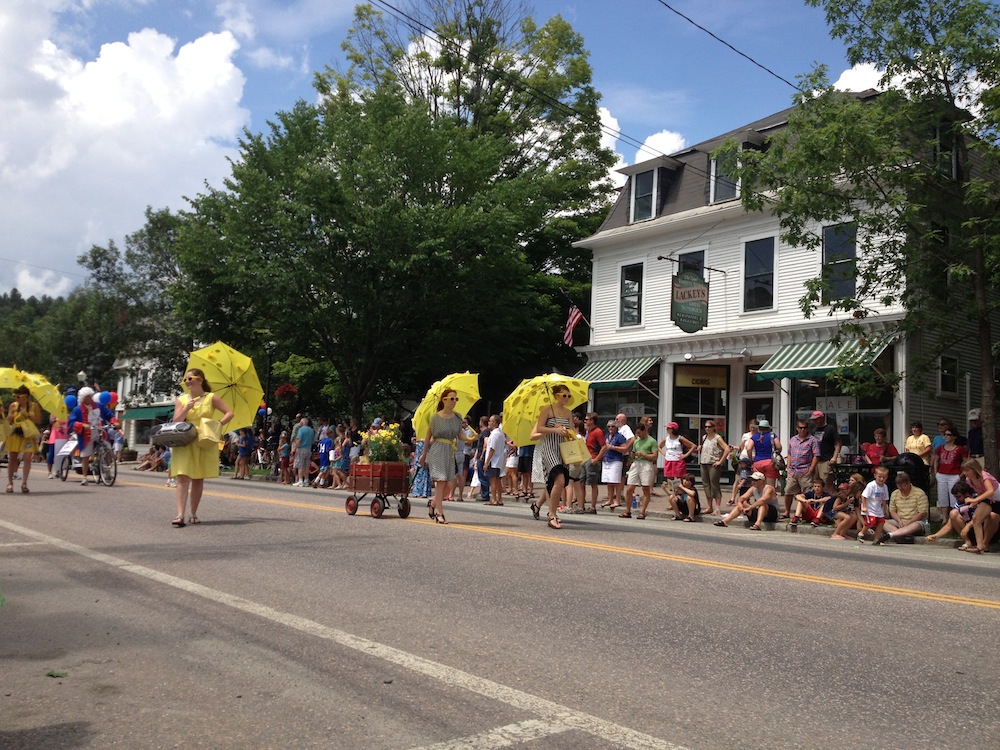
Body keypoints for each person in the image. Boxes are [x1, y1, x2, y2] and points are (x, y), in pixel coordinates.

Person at [169, 368, 234, 526]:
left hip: (204, 439)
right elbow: (175, 421)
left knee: (198, 477)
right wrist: (186, 408)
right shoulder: (182, 400)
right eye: (185, 380)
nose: (187, 382)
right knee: (183, 476)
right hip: (185, 439)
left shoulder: (211, 397)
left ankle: (193, 513)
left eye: (190, 379)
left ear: (200, 380)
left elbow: (229, 413)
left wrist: (218, 425)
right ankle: (179, 515)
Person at [422, 389, 473, 524]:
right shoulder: (435, 418)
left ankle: (433, 503)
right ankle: (440, 513)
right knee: (441, 482)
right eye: (452, 399)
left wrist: (470, 438)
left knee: (450, 484)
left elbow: (460, 435)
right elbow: (428, 437)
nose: (454, 402)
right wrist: (423, 454)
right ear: (444, 400)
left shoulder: (457, 417)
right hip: (438, 449)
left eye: (456, 399)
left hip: (450, 450)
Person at [530, 384, 576, 529]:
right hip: (549, 448)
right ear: (556, 395)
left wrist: (568, 432)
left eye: (569, 396)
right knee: (560, 480)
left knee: (556, 483)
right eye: (564, 395)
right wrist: (555, 429)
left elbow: (572, 430)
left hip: (563, 449)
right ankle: (552, 514)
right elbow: (539, 429)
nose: (567, 398)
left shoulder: (568, 413)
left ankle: (539, 507)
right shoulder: (547, 409)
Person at [66, 387, 115, 488]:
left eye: (90, 397)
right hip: (86, 435)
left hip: (100, 431)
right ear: (82, 399)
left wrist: (115, 422)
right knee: (85, 455)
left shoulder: (99, 406)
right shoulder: (77, 409)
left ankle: (107, 470)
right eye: (87, 397)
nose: (89, 399)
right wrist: (82, 425)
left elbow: (110, 414)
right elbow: (71, 423)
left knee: (108, 449)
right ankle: (84, 477)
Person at [5, 385, 42, 494]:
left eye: (20, 396)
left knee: (27, 458)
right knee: (12, 458)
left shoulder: (34, 406)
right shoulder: (13, 405)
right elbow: (8, 420)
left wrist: (27, 415)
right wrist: (11, 415)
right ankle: (10, 483)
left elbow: (38, 420)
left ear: (27, 396)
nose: (17, 399)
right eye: (15, 396)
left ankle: (24, 483)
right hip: (15, 434)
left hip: (28, 435)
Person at [959, 458, 1000, 554]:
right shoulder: (969, 480)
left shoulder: (984, 476)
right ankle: (980, 545)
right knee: (976, 518)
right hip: (989, 500)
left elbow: (990, 491)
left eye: (967, 470)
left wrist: (975, 500)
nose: (965, 473)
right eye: (963, 471)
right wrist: (976, 502)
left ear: (974, 469)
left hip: (997, 498)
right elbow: (981, 492)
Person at [619, 422, 658, 519]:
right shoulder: (636, 441)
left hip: (646, 464)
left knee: (645, 488)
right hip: (636, 463)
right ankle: (627, 511)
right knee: (629, 488)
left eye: (640, 433)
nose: (638, 435)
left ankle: (642, 511)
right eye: (637, 433)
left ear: (645, 430)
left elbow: (655, 456)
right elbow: (633, 452)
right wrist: (631, 457)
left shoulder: (652, 441)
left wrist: (644, 454)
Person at [877, 471, 929, 544]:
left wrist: (909, 522)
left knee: (916, 525)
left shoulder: (920, 493)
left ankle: (893, 534)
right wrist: (899, 521)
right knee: (882, 521)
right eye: (898, 486)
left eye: (903, 486)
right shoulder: (895, 493)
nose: (900, 488)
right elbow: (892, 511)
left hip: (914, 522)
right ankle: (900, 536)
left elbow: (922, 513)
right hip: (900, 522)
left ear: (908, 483)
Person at [714, 471, 778, 529]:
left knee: (763, 504)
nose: (752, 482)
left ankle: (758, 524)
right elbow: (741, 498)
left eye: (755, 480)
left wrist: (750, 507)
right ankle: (725, 521)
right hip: (759, 512)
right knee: (743, 503)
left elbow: (764, 499)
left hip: (772, 515)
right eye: (752, 480)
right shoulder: (753, 488)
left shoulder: (769, 488)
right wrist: (740, 505)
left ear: (761, 481)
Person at [784, 419, 820, 518]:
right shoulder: (793, 439)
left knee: (807, 493)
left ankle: (806, 513)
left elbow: (816, 456)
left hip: (805, 470)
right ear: (797, 428)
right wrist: (788, 467)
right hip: (793, 470)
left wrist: (811, 470)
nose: (803, 430)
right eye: (800, 427)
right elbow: (789, 454)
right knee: (788, 491)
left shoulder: (812, 440)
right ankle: (787, 511)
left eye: (804, 428)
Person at [931, 426, 966, 522]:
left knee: (954, 496)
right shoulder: (940, 448)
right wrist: (936, 472)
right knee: (942, 496)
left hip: (954, 475)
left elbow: (966, 462)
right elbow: (936, 460)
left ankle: (953, 518)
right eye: (945, 434)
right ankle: (945, 518)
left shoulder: (959, 449)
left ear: (954, 437)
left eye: (948, 434)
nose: (946, 436)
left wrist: (961, 475)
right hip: (941, 474)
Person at [695, 420, 729, 515]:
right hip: (704, 462)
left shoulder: (717, 438)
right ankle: (709, 506)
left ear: (714, 427)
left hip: (713, 463)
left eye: (709, 427)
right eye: (705, 427)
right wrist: (700, 448)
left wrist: (720, 461)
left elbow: (726, 449)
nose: (707, 428)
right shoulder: (704, 437)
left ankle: (717, 507)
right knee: (706, 485)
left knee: (714, 484)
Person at [660, 420, 697, 502]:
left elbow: (693, 446)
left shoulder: (680, 438)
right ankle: (673, 499)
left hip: (678, 461)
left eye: (669, 428)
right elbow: (659, 446)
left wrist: (685, 455)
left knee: (679, 480)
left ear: (673, 429)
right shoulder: (666, 439)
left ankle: (681, 498)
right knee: (670, 481)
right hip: (669, 461)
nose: (667, 429)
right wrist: (664, 453)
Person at [810, 410, 842, 494]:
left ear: (822, 418)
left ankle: (834, 502)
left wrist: (834, 457)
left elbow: (838, 443)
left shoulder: (830, 428)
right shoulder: (814, 429)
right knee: (816, 484)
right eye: (814, 419)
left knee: (827, 483)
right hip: (815, 460)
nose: (815, 421)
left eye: (816, 419)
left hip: (826, 459)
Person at [580, 412, 605, 513]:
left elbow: (604, 446)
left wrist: (597, 459)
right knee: (581, 482)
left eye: (587, 419)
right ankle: (581, 505)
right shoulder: (588, 432)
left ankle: (593, 506)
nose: (585, 421)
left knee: (593, 483)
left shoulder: (598, 432)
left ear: (592, 421)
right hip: (585, 458)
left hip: (592, 458)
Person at [858, 465, 890, 543]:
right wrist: (864, 506)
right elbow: (864, 496)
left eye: (884, 477)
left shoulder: (885, 487)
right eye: (879, 477)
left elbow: (884, 500)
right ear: (875, 475)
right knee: (871, 522)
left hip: (878, 509)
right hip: (870, 509)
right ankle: (862, 532)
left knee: (881, 522)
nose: (881, 479)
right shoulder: (871, 485)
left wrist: (885, 510)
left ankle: (877, 539)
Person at [747, 418, 782, 490]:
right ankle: (768, 500)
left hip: (758, 462)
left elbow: (749, 448)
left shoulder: (754, 437)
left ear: (759, 428)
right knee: (770, 487)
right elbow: (779, 446)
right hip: (770, 462)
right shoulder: (773, 436)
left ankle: (759, 500)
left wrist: (751, 459)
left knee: (758, 486)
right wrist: (777, 453)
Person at [598, 421, 626, 510]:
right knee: (609, 481)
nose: (610, 428)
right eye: (609, 426)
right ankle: (610, 499)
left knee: (616, 481)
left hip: (616, 460)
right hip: (607, 460)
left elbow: (624, 449)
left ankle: (617, 500)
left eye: (612, 426)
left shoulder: (620, 436)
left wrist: (613, 447)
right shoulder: (606, 436)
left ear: (616, 427)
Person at [830, 474, 865, 540]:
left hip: (839, 511)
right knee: (847, 517)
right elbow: (835, 507)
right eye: (860, 493)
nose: (861, 495)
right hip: (830, 510)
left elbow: (858, 513)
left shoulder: (855, 499)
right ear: (856, 491)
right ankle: (835, 533)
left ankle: (843, 533)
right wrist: (847, 503)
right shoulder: (844, 494)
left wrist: (865, 525)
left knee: (854, 517)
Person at [483, 414, 507, 507]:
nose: (489, 423)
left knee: (493, 481)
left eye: (490, 421)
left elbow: (492, 449)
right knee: (497, 481)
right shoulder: (500, 433)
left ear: (495, 423)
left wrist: (487, 462)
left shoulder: (494, 434)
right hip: (499, 460)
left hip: (493, 461)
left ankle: (494, 499)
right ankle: (499, 499)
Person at [291, 417, 315, 487]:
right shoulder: (311, 430)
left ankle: (300, 480)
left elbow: (298, 439)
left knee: (300, 465)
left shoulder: (301, 430)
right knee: (306, 465)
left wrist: (294, 449)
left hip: (301, 448)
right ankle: (306, 480)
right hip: (308, 449)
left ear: (301, 423)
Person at [45, 415, 67, 479]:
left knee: (62, 456)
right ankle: (50, 472)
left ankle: (59, 470)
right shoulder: (54, 412)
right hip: (54, 438)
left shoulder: (68, 413)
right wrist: (54, 420)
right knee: (51, 455)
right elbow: (51, 420)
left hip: (64, 437)